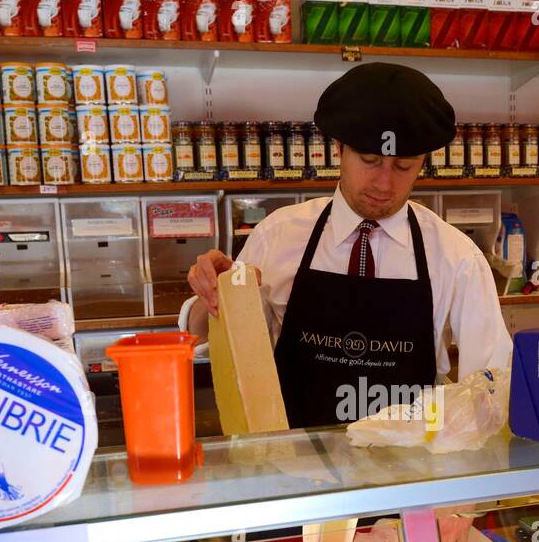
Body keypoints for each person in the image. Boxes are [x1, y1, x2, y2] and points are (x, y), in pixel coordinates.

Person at [181, 62, 512, 432]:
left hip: (409, 473)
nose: (384, 184)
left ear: (423, 162)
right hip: (296, 465)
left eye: (403, 167)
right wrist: (213, 293)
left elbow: (492, 384)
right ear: (338, 148)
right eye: (370, 161)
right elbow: (209, 337)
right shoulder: (278, 234)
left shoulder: (457, 256)